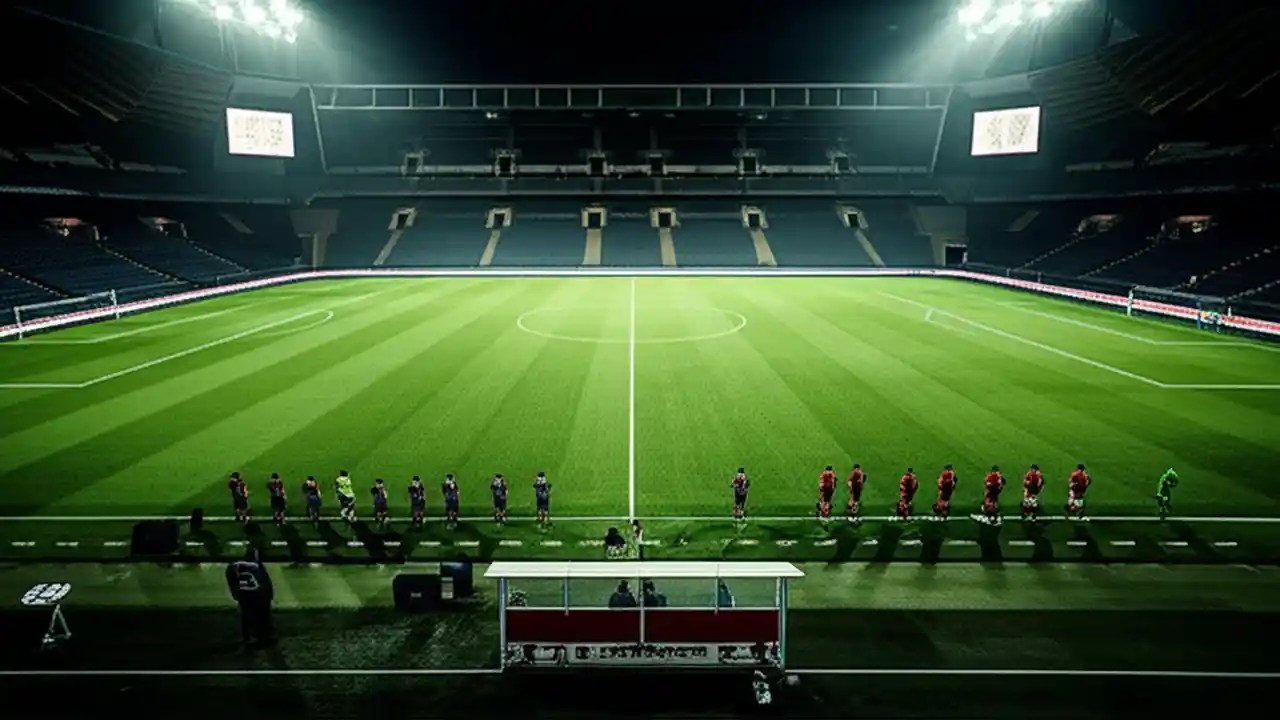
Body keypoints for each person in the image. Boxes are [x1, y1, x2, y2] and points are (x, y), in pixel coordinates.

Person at [225, 547, 274, 647]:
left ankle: (249, 637)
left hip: (245, 594)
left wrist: (236, 594)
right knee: (263, 615)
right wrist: (269, 595)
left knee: (247, 616)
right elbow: (265, 581)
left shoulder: (234, 566)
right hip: (259, 594)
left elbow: (232, 581)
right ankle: (265, 636)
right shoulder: (257, 565)